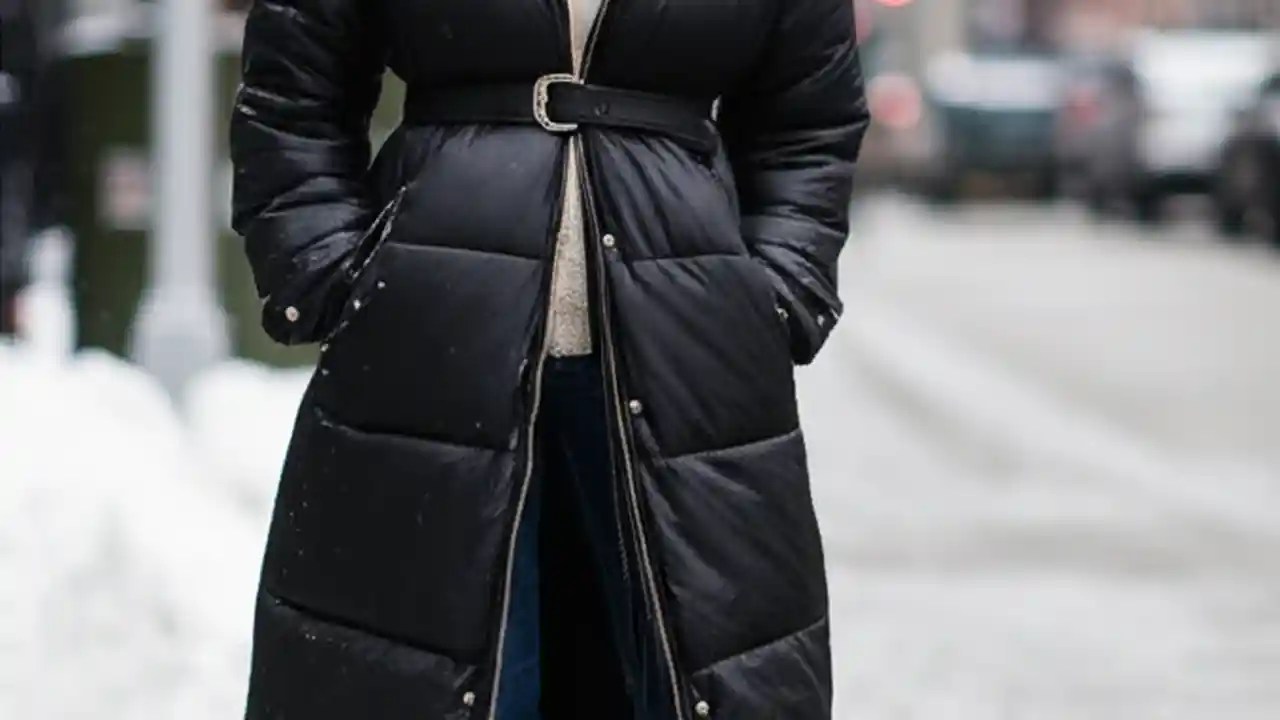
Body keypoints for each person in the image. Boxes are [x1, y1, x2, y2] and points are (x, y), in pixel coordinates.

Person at [230, 0, 868, 717]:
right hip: (429, 345)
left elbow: (810, 121)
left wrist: (779, 290)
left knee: (684, 677)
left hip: (693, 356)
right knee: (430, 675)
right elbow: (294, 91)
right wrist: (322, 271)